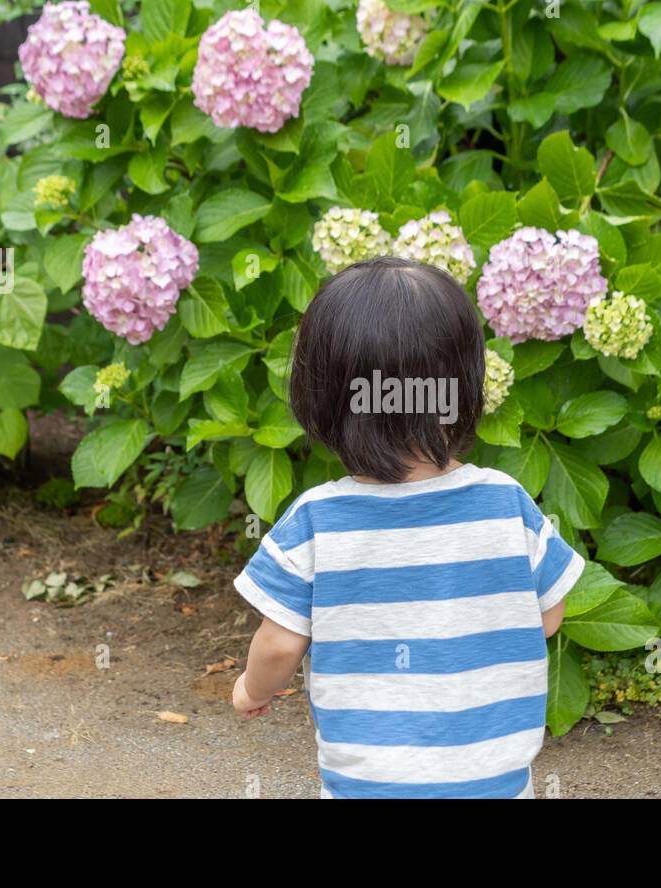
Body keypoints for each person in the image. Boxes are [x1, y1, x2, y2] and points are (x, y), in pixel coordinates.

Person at [231, 256, 585, 798]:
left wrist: (250, 689)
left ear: (320, 397)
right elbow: (550, 617)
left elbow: (279, 646)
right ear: (464, 389)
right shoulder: (507, 502)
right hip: (493, 783)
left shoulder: (316, 521)